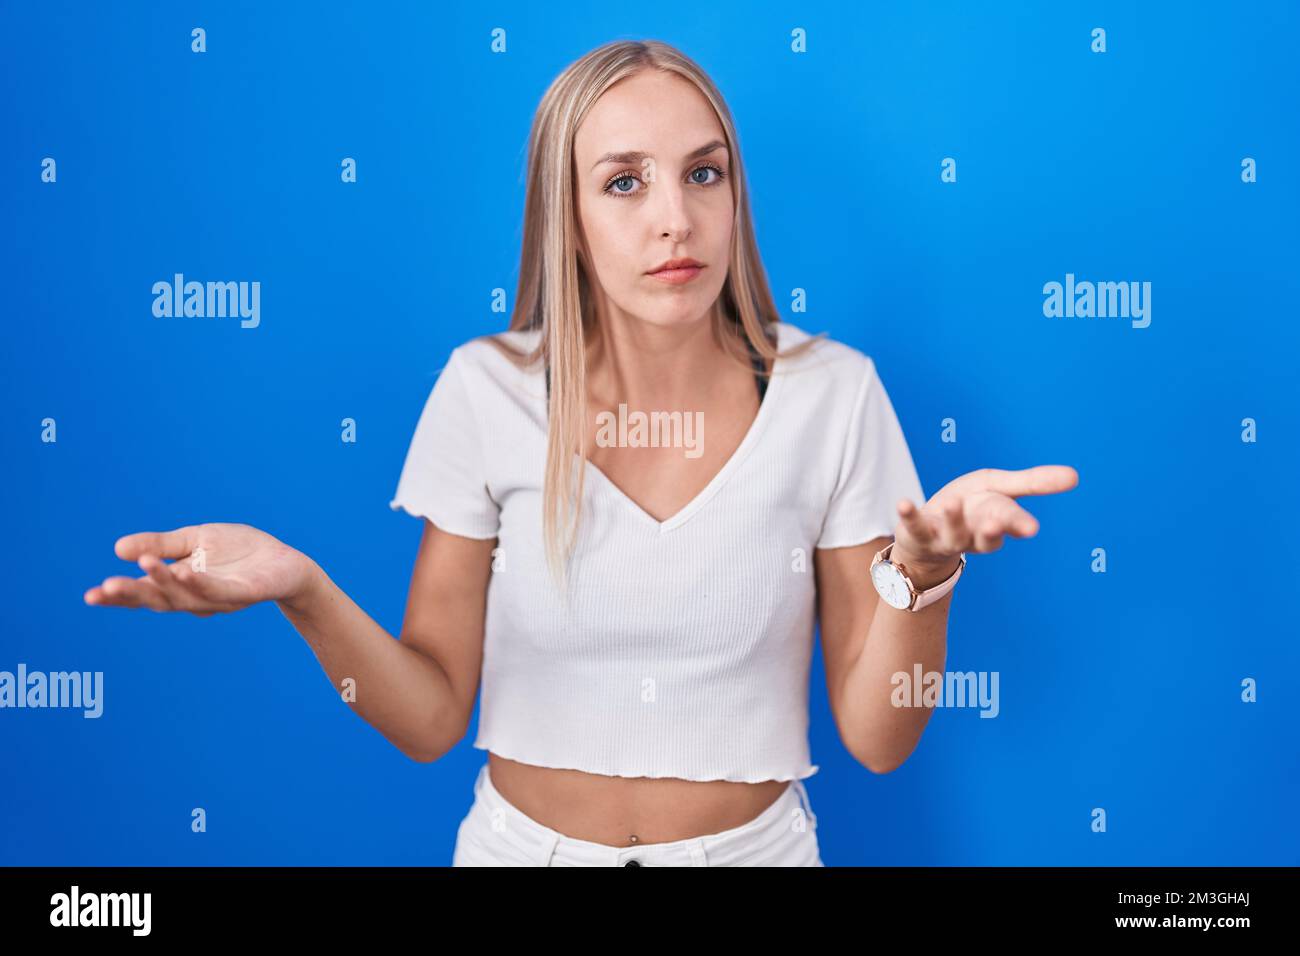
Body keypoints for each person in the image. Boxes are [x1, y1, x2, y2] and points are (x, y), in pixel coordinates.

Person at [84, 39, 1078, 866]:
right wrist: (302, 586)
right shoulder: (488, 387)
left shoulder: (833, 391)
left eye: (703, 172)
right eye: (622, 182)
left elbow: (878, 736)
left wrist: (922, 570)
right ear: (566, 213)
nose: (674, 218)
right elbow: (430, 714)